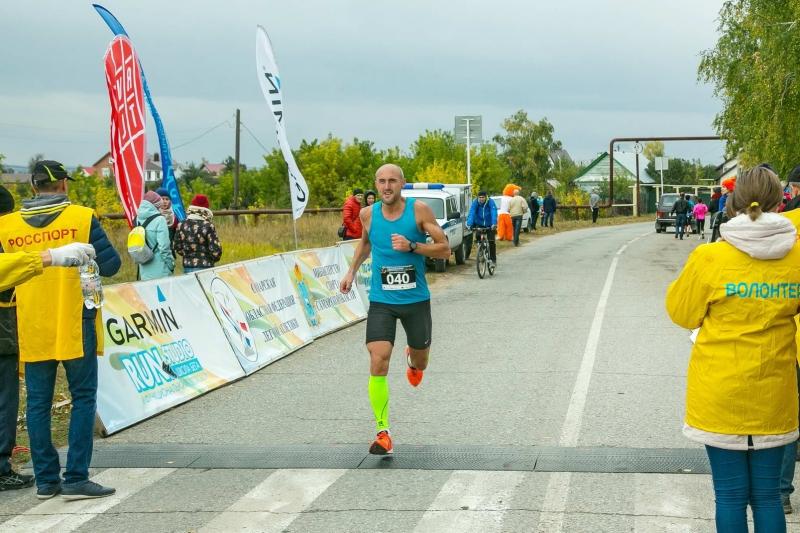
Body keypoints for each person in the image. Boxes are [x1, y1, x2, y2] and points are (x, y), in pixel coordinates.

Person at [666, 165, 800, 532]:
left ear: (733, 202)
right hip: (774, 392)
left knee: (729, 496)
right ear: (780, 202)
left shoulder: (710, 258)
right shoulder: (796, 257)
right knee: (768, 496)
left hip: (720, 393)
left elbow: (682, 313)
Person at [0, 161, 121, 500]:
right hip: (75, 320)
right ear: (64, 185)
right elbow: (112, 265)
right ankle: (77, 476)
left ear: (33, 187)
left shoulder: (6, 226)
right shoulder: (81, 217)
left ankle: (46, 480)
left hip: (31, 321)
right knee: (83, 397)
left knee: (38, 403)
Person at [339, 163, 449, 455]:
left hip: (415, 300)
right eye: (381, 181)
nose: (387, 186)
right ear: (376, 185)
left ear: (402, 184)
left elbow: (444, 249)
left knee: (422, 362)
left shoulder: (419, 211)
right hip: (382, 301)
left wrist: (413, 246)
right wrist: (351, 271)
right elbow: (365, 245)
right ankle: (382, 432)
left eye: (392, 181)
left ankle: (412, 360)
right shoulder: (367, 215)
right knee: (378, 359)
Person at [173, 194, 222, 273]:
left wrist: (188, 256)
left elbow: (177, 246)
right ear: (206, 209)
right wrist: (210, 259)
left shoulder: (181, 224)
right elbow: (216, 251)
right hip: (206, 267)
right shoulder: (208, 226)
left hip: (188, 266)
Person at [135, 191, 174, 281]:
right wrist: (170, 265)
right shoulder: (160, 220)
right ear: (156, 204)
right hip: (160, 268)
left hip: (144, 265)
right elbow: (164, 247)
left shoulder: (137, 218)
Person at [466, 191, 498, 264]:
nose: (481, 199)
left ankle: (493, 260)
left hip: (490, 224)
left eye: (483, 197)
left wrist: (494, 223)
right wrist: (469, 224)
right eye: (480, 197)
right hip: (479, 223)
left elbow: (493, 211)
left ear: (486, 197)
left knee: (491, 242)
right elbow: (472, 212)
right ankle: (480, 249)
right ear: (478, 197)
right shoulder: (475, 202)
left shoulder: (490, 202)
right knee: (477, 235)